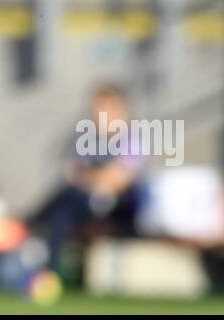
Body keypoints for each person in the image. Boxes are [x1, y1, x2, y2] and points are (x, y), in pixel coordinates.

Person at [26, 85, 144, 294]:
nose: (97, 113)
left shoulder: (131, 139)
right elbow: (74, 174)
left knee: (66, 201)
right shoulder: (86, 138)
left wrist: (92, 178)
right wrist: (93, 178)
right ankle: (47, 273)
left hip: (118, 207)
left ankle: (28, 226)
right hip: (81, 202)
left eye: (103, 108)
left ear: (119, 109)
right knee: (61, 214)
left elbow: (116, 180)